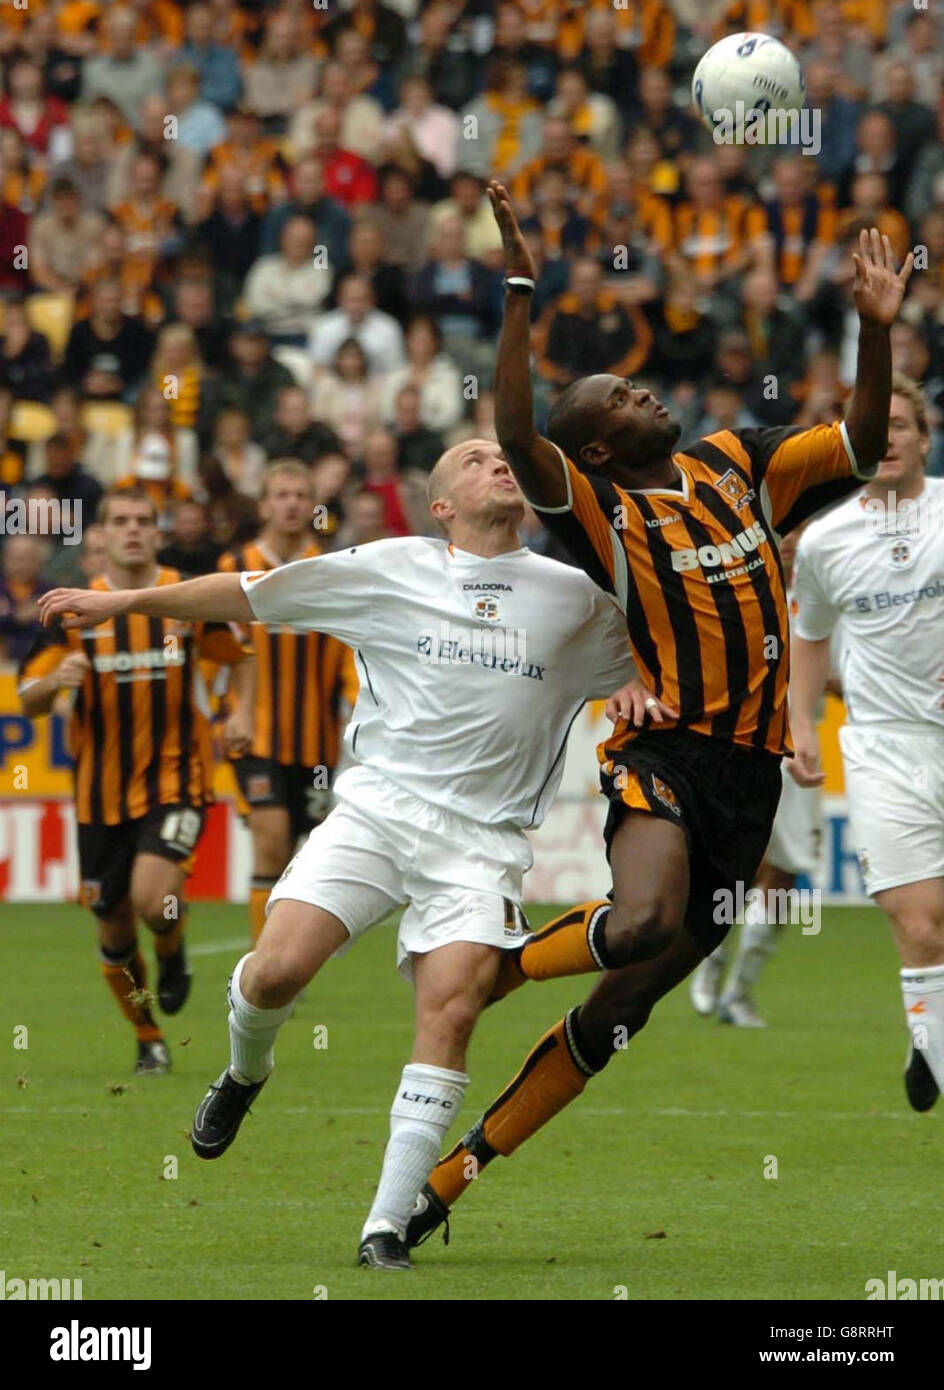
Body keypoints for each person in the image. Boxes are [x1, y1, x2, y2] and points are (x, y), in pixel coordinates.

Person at [397, 187, 913, 1252]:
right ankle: (493, 966)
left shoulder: (740, 461)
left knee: (616, 1014)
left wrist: (873, 327)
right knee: (634, 920)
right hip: (664, 754)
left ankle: (453, 1172)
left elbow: (860, 444)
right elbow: (513, 430)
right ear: (591, 448)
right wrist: (520, 293)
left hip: (749, 777)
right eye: (622, 396)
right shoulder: (601, 510)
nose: (643, 395)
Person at [36, 438, 653, 1271]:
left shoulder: (575, 598)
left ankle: (385, 1227)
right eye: (473, 460)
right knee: (273, 974)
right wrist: (127, 602)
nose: (497, 463)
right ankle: (245, 1073)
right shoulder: (392, 567)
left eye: (502, 456)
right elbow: (249, 596)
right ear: (441, 507)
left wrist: (639, 684)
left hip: (483, 841)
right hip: (377, 813)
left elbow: (667, 657)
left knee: (454, 1010)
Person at [19, 488, 254, 1075]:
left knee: (155, 901)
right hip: (98, 798)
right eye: (119, 521)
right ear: (100, 536)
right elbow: (29, 698)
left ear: (158, 531)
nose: (132, 530)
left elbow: (239, 655)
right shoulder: (75, 608)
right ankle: (148, 1036)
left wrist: (243, 711)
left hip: (177, 779)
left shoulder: (183, 595)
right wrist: (55, 684)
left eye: (143, 521)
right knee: (114, 927)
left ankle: (173, 951)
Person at [790, 376, 944, 1112]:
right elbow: (810, 638)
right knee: (916, 920)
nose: (888, 439)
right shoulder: (824, 539)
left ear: (925, 435)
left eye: (901, 426)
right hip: (884, 746)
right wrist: (800, 730)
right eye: (873, 427)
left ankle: (928, 1036)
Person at [689, 525, 831, 1027]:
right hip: (745, 744)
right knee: (738, 868)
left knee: (787, 872)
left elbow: (836, 673)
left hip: (802, 748)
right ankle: (709, 964)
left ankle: (739, 993)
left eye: (800, 529)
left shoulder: (826, 595)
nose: (792, 539)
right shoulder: (738, 591)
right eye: (783, 529)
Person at [217, 461, 358, 944]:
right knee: (270, 840)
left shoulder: (330, 570)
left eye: (300, 495)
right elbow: (218, 650)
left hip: (316, 740)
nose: (292, 503)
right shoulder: (233, 569)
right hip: (254, 734)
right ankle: (260, 967)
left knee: (301, 856)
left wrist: (360, 709)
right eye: (281, 494)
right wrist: (228, 709)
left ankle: (282, 958)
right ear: (263, 505)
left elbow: (348, 651)